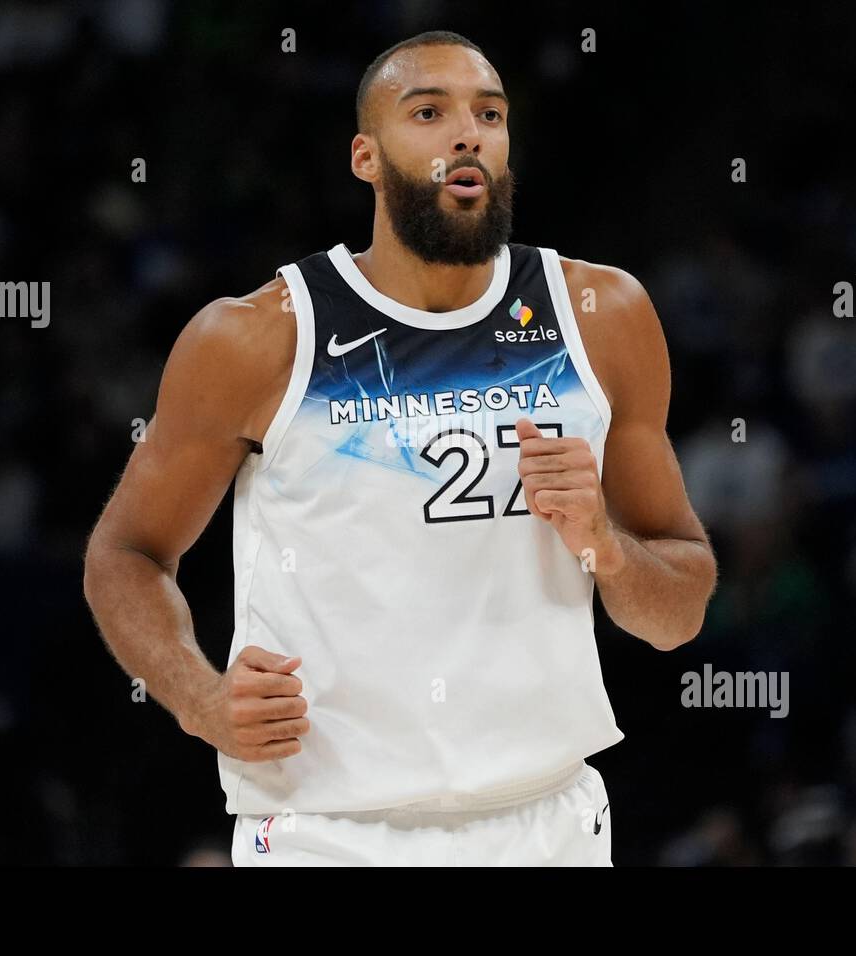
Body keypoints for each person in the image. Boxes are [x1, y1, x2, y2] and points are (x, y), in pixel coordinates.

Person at [83, 30, 717, 866]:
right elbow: (125, 552)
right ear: (366, 157)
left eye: (489, 114)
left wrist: (606, 546)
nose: (468, 133)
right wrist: (200, 698)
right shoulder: (256, 338)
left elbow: (679, 611)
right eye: (429, 112)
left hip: (547, 822)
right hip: (329, 833)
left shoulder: (601, 315)